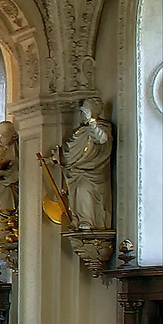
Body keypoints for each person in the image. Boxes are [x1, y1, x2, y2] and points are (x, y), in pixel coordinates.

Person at [59, 99, 113, 231]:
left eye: (85, 111)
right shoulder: (80, 131)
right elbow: (68, 151)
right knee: (76, 196)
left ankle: (89, 223)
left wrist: (92, 121)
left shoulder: (102, 127)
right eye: (82, 111)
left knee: (85, 191)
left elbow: (102, 139)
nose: (83, 114)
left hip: (93, 173)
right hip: (76, 173)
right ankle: (78, 219)